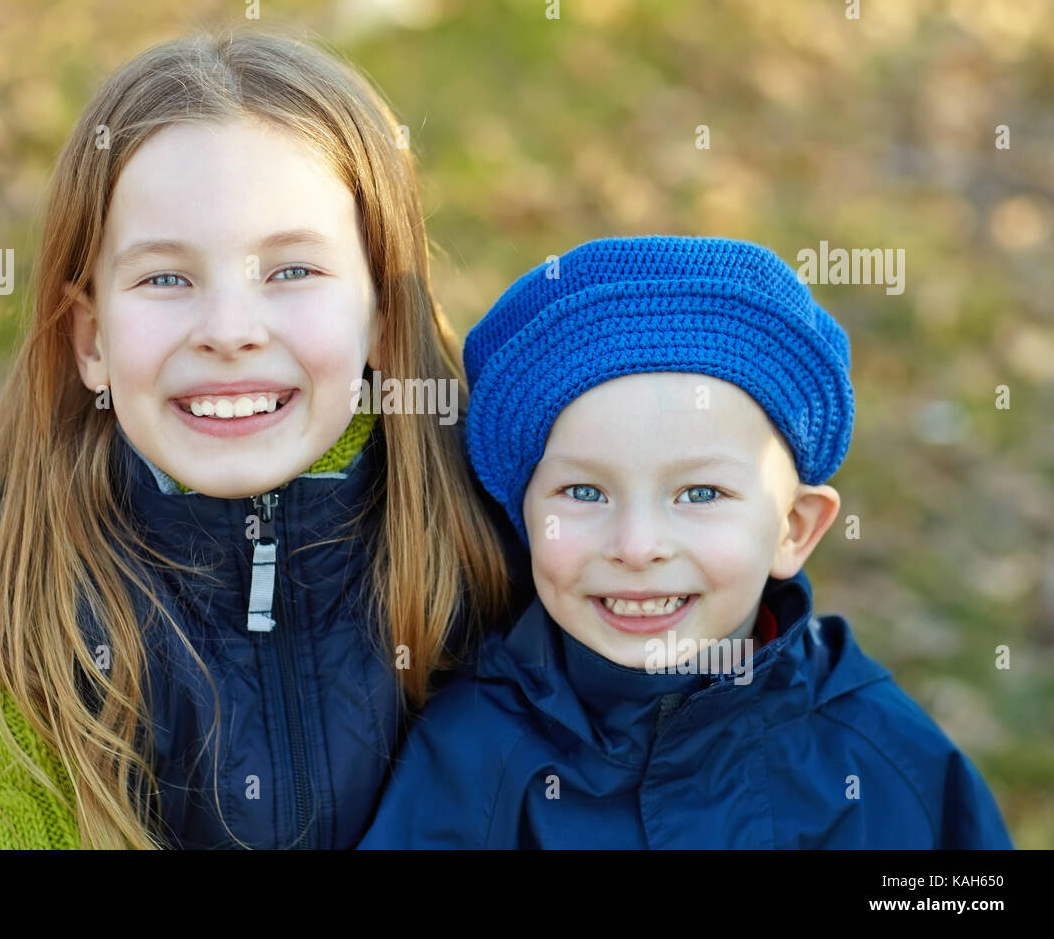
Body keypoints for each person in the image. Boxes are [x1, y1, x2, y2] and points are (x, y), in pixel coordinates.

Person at [0, 28, 529, 849]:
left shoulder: (488, 531)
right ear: (91, 339)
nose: (230, 331)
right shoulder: (4, 594)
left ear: (384, 317)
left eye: (291, 271)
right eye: (166, 278)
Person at [358, 236, 1013, 849]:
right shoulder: (469, 759)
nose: (638, 546)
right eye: (585, 493)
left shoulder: (886, 761)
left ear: (794, 528)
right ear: (524, 520)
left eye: (700, 495)